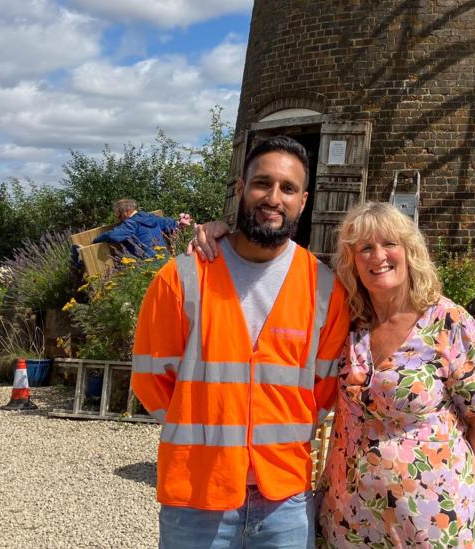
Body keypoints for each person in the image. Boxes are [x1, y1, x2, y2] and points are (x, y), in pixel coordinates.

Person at [189, 202, 475, 548]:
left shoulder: (449, 323)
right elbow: (282, 277)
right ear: (352, 261)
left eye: (389, 244)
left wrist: (474, 491)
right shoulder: (347, 319)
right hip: (349, 513)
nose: (377, 256)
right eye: (365, 248)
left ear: (411, 251)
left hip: (429, 515)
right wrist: (227, 236)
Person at [131, 136, 350, 548]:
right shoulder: (182, 278)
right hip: (197, 495)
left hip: (283, 497)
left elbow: (325, 391)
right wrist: (205, 429)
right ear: (240, 188)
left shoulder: (325, 289)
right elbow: (150, 380)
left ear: (303, 200)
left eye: (287, 188)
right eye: (262, 183)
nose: (273, 197)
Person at [92, 198, 177, 258]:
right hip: (164, 257)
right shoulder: (151, 217)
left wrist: (95, 241)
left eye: (119, 216)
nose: (119, 220)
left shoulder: (132, 223)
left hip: (147, 263)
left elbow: (113, 236)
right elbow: (172, 223)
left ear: (126, 212)